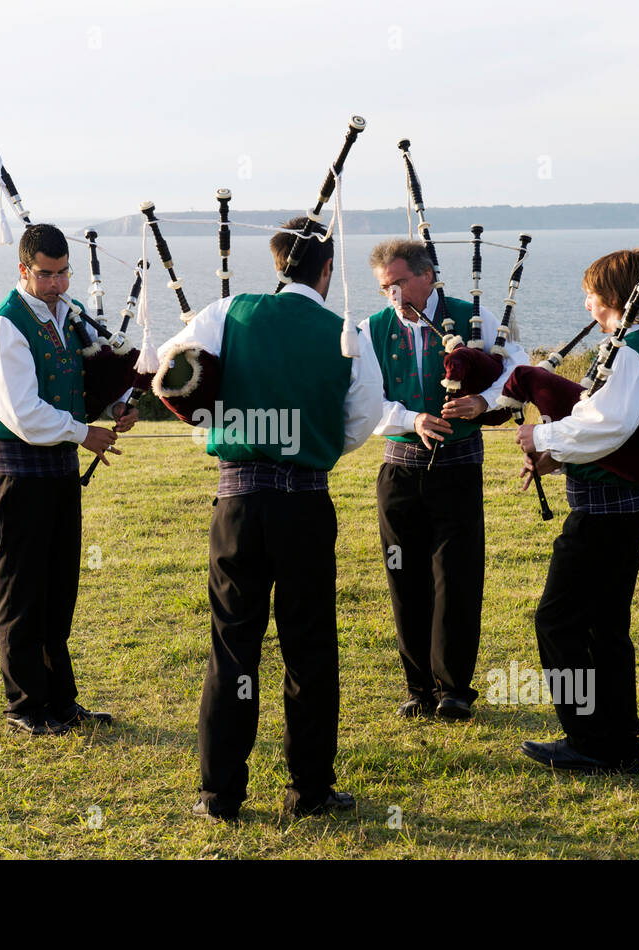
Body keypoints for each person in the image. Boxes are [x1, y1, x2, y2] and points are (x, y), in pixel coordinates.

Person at [156, 217, 383, 820]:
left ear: (278, 262)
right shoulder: (347, 332)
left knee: (232, 646)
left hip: (236, 501)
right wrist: (313, 444)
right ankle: (309, 792)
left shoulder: (229, 311)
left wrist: (225, 411)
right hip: (305, 502)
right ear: (327, 270)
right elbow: (361, 419)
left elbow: (170, 364)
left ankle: (218, 795)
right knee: (310, 647)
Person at [0, 223, 138, 736]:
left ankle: (61, 703)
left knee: (59, 588)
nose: (58, 283)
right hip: (18, 477)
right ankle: (25, 707)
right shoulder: (4, 327)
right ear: (23, 270)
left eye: (64, 272)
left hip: (59, 472)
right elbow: (23, 412)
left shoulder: (66, 318)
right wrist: (82, 432)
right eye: (46, 274)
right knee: (23, 592)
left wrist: (116, 404)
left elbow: (79, 382)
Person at [515, 248, 639, 774]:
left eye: (591, 293)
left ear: (613, 299)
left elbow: (609, 426)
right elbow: (609, 430)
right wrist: (556, 458)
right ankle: (620, 743)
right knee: (604, 628)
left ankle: (589, 739)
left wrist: (542, 434)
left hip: (605, 513)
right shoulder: (637, 345)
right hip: (620, 506)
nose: (586, 302)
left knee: (557, 622)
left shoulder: (628, 351)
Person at [360, 240, 526, 721]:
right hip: (399, 467)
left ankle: (453, 689)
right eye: (384, 287)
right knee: (404, 577)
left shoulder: (471, 317)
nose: (393, 294)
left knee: (455, 576)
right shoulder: (373, 329)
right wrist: (411, 419)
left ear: (427, 275)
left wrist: (485, 402)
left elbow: (517, 367)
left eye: (399, 282)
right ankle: (418, 689)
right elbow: (365, 400)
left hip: (457, 466)